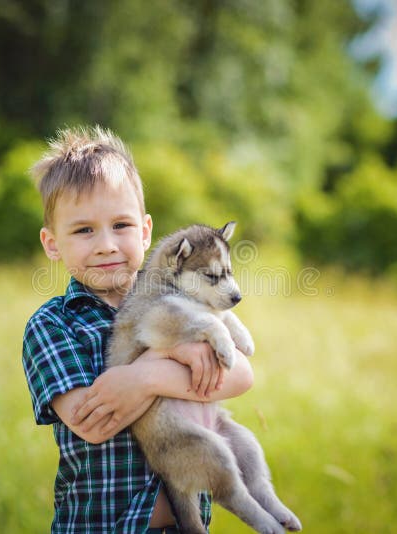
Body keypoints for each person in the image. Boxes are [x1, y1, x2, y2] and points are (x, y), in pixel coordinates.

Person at [22, 126, 254, 533]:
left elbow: (240, 373)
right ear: (52, 243)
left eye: (122, 226)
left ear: (146, 232)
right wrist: (166, 358)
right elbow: (91, 421)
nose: (108, 244)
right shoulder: (52, 324)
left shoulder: (181, 304)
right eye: (83, 230)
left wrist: (146, 375)